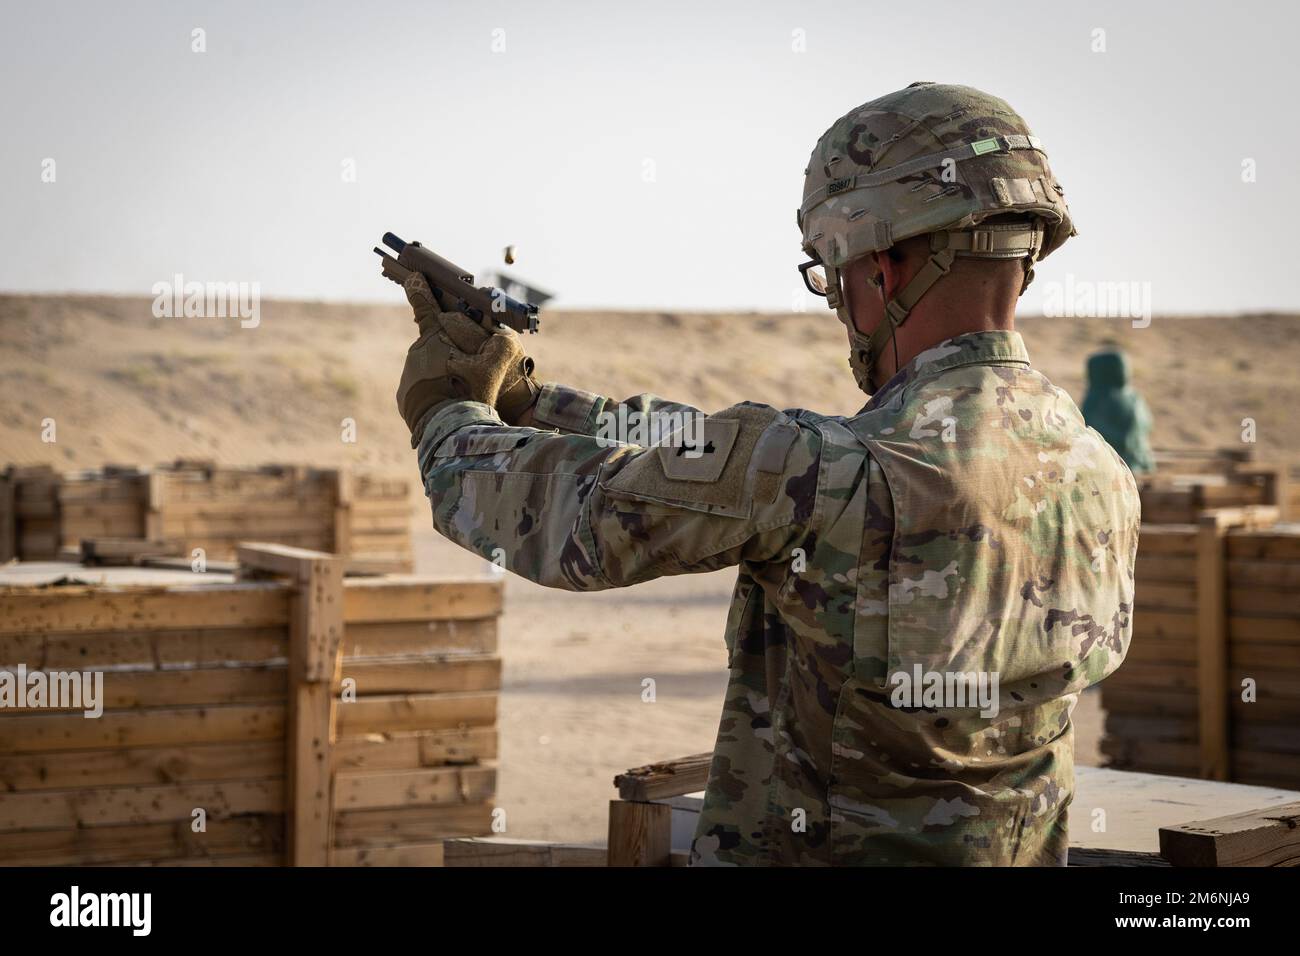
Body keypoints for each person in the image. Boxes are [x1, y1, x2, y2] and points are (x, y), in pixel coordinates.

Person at [394, 82, 1140, 866]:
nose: (835, 300)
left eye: (830, 271)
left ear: (878, 262)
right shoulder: (1103, 475)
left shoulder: (828, 471)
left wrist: (446, 410)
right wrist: (537, 401)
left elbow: (562, 521)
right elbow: (726, 458)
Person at [1082, 349, 1155, 473]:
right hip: (1142, 463)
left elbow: (1086, 429)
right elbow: (1148, 425)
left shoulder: (1098, 398)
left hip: (1113, 467)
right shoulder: (1135, 398)